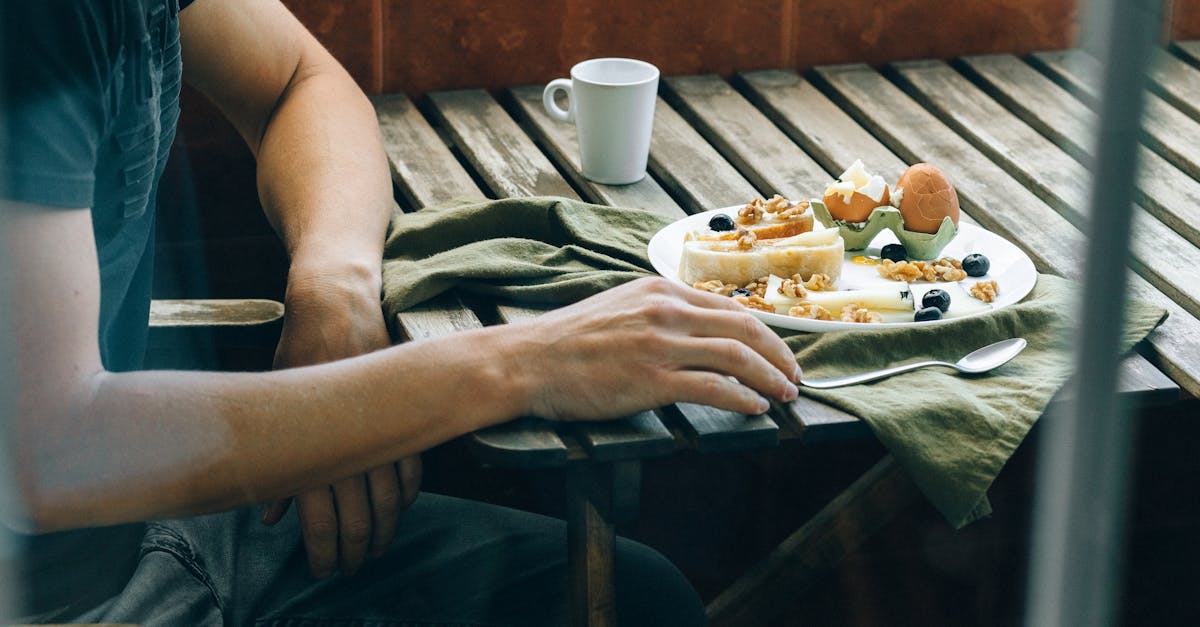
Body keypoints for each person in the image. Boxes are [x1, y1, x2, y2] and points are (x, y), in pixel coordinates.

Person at [0, 0, 802, 624]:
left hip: (145, 530)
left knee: (637, 598)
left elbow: (300, 84)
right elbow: (49, 450)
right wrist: (521, 365)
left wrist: (333, 284)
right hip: (62, 601)